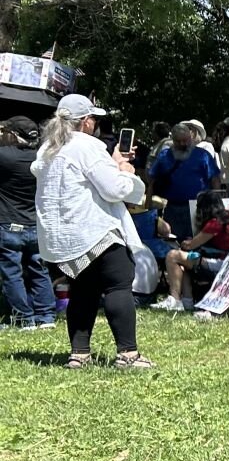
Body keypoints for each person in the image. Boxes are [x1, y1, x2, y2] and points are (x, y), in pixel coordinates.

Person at [31, 94, 153, 368]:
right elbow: (114, 189)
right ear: (86, 122)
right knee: (118, 284)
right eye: (94, 119)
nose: (95, 124)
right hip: (95, 229)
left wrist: (111, 161)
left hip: (64, 235)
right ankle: (128, 355)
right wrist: (124, 169)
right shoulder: (87, 146)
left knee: (82, 290)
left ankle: (79, 354)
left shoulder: (48, 147)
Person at [0, 115, 56, 328]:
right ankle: (46, 317)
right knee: (39, 270)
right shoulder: (43, 158)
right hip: (36, 225)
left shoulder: (5, 157)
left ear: (13, 135)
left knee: (12, 273)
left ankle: (24, 318)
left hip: (9, 225)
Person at [156, 192, 229, 312]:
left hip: (219, 262)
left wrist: (183, 243)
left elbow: (191, 245)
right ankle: (187, 301)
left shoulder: (215, 223)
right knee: (183, 262)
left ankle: (175, 298)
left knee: (173, 256)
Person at [148, 122, 220, 238]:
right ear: (172, 140)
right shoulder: (164, 156)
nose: (182, 144)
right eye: (178, 141)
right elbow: (152, 180)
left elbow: (215, 179)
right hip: (172, 208)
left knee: (196, 243)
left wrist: (216, 206)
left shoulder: (203, 155)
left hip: (198, 208)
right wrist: (148, 210)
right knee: (173, 242)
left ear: (190, 138)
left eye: (185, 140)